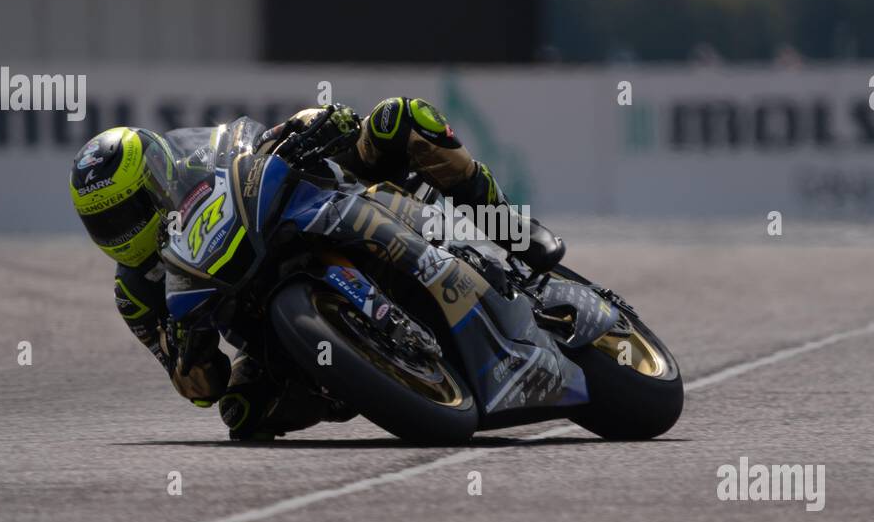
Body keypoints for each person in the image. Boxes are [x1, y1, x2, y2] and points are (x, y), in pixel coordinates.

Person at [69, 97, 564, 440]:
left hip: (320, 203)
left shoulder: (200, 161)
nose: (120, 230)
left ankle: (510, 227)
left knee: (400, 118)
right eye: (105, 223)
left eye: (128, 211)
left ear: (157, 179)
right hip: (262, 323)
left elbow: (260, 140)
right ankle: (359, 371)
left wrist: (318, 124)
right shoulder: (135, 294)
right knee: (242, 412)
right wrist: (186, 354)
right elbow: (201, 388)